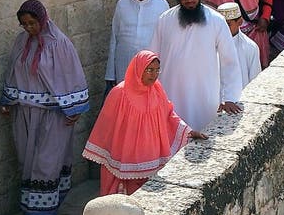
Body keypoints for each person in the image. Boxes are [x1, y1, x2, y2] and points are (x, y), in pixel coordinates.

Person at [0, 0, 90, 215]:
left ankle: (45, 212)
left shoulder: (59, 44)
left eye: (32, 23)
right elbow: (13, 70)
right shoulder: (22, 42)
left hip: (54, 114)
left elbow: (71, 75)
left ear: (42, 20)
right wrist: (8, 100)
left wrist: (74, 108)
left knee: (46, 161)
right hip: (26, 112)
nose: (29, 28)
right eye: (24, 24)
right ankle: (31, 207)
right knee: (27, 159)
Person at [83, 51, 207, 196]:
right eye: (149, 70)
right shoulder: (119, 93)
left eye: (156, 70)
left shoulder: (156, 90)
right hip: (125, 156)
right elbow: (107, 125)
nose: (153, 75)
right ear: (138, 69)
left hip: (152, 155)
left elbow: (168, 115)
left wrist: (189, 131)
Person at [149, 0, 242, 133]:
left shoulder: (216, 20)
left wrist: (229, 97)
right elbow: (152, 57)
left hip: (205, 95)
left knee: (204, 136)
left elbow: (229, 61)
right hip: (172, 94)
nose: (189, 0)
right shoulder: (164, 20)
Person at [105, 0, 169, 93]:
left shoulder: (162, 4)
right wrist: (110, 73)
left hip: (150, 67)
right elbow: (114, 38)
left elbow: (167, 38)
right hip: (125, 64)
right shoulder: (122, 5)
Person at [217, 3, 262, 88]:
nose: (223, 28)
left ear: (240, 22)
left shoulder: (250, 47)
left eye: (228, 24)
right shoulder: (211, 45)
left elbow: (255, 80)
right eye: (221, 25)